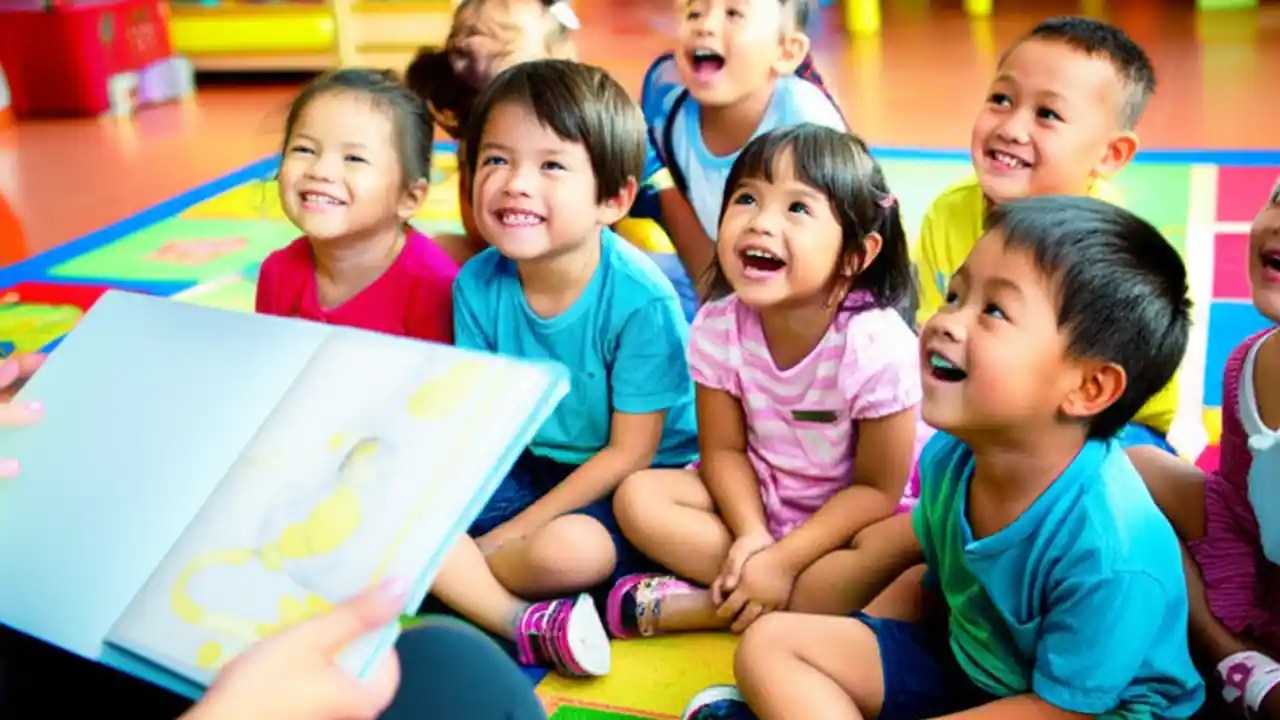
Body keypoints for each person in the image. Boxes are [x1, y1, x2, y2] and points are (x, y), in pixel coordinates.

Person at [718, 197, 1204, 719]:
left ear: (1089, 387)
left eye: (994, 311)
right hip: (974, 668)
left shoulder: (1110, 550)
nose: (946, 322)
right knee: (771, 644)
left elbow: (1059, 709)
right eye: (954, 295)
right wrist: (862, 641)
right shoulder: (952, 458)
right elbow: (935, 585)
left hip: (1084, 711)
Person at [424, 59, 699, 677]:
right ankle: (519, 619)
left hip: (632, 478)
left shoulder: (639, 299)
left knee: (565, 553)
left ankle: (457, 577)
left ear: (614, 198)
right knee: (403, 499)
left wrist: (504, 536)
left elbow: (628, 455)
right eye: (495, 160)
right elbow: (487, 418)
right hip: (531, 463)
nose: (516, 183)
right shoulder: (477, 283)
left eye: (550, 166)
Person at [608, 124, 925, 640]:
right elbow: (724, 452)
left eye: (797, 208)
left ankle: (707, 606)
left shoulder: (876, 346)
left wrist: (787, 558)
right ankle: (767, 591)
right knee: (639, 497)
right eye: (747, 198)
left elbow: (875, 490)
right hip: (760, 498)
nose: (760, 222)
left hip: (852, 520)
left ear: (855, 255)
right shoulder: (718, 325)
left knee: (911, 557)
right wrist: (754, 535)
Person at [910, 16, 1182, 452]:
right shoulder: (948, 213)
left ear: (1111, 154)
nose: (1011, 128)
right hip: (988, 400)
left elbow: (1107, 397)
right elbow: (927, 328)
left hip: (1111, 428)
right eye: (1000, 99)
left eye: (1048, 114)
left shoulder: (1113, 251)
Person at [1128, 177, 1280, 719]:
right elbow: (1238, 500)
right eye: (1279, 199)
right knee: (1128, 466)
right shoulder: (1248, 361)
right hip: (1258, 548)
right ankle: (1234, 658)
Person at [641, 0, 845, 304]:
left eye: (734, 14)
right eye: (694, 12)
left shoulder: (805, 124)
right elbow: (711, 280)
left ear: (786, 52)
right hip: (728, 277)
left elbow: (829, 264)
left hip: (810, 296)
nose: (705, 25)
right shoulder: (667, 102)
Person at [255, 68, 458, 344]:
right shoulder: (277, 273)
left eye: (354, 158)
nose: (321, 170)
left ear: (408, 198)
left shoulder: (436, 287)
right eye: (304, 150)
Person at [405, 0, 579, 263]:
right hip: (492, 250)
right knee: (434, 251)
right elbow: (476, 232)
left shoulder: (572, 123)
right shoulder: (471, 126)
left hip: (559, 256)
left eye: (504, 36)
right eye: (465, 37)